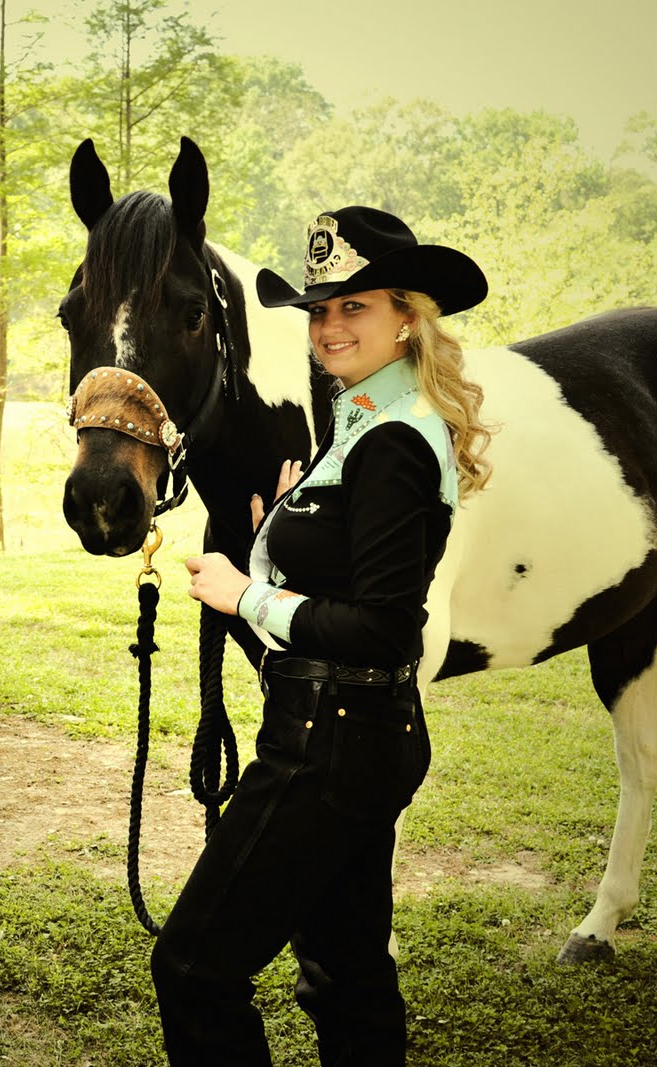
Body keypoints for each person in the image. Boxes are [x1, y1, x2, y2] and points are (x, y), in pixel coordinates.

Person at [151, 206, 492, 1066]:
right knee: (344, 972)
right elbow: (350, 576)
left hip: (330, 745)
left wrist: (243, 595)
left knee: (193, 965)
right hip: (350, 734)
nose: (328, 326)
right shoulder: (369, 423)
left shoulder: (392, 442)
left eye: (354, 306)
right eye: (317, 309)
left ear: (407, 316)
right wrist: (283, 531)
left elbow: (381, 629)